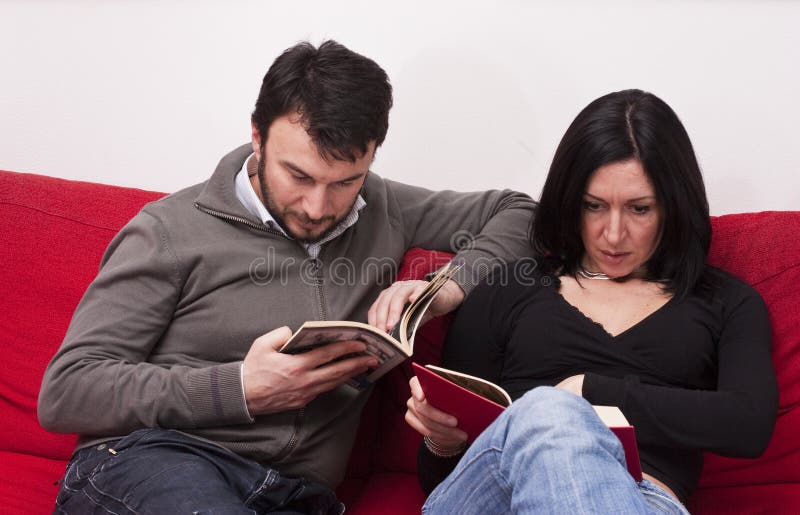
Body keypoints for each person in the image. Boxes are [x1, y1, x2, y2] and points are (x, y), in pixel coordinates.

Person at [37, 40, 537, 514]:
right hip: (157, 460)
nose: (319, 207)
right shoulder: (166, 231)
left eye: (345, 182)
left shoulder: (385, 206)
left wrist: (445, 287)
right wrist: (239, 388)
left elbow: (520, 213)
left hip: (297, 495)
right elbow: (66, 392)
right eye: (299, 176)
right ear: (258, 135)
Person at [405, 89, 778, 514]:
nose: (613, 234)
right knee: (548, 412)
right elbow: (441, 482)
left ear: (673, 207)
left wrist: (591, 392)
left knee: (555, 409)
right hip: (494, 496)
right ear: (570, 204)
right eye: (594, 206)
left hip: (644, 500)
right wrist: (441, 440)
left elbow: (749, 423)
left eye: (639, 209)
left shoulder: (725, 303)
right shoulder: (507, 289)